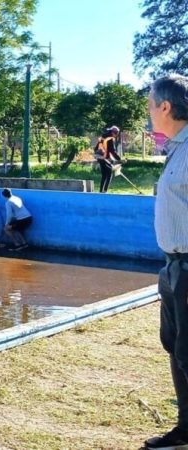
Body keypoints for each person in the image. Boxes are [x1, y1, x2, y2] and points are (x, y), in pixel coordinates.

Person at [145, 74, 188, 450]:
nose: (147, 111)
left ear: (166, 107)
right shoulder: (176, 148)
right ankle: (185, 428)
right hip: (172, 265)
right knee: (175, 347)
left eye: (150, 104)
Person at [95, 125, 122, 193]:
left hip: (99, 157)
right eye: (117, 133)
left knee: (104, 175)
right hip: (104, 158)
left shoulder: (103, 137)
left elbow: (96, 148)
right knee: (109, 174)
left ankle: (101, 191)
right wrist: (119, 159)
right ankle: (105, 191)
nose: (116, 135)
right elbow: (112, 151)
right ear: (114, 132)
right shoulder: (110, 139)